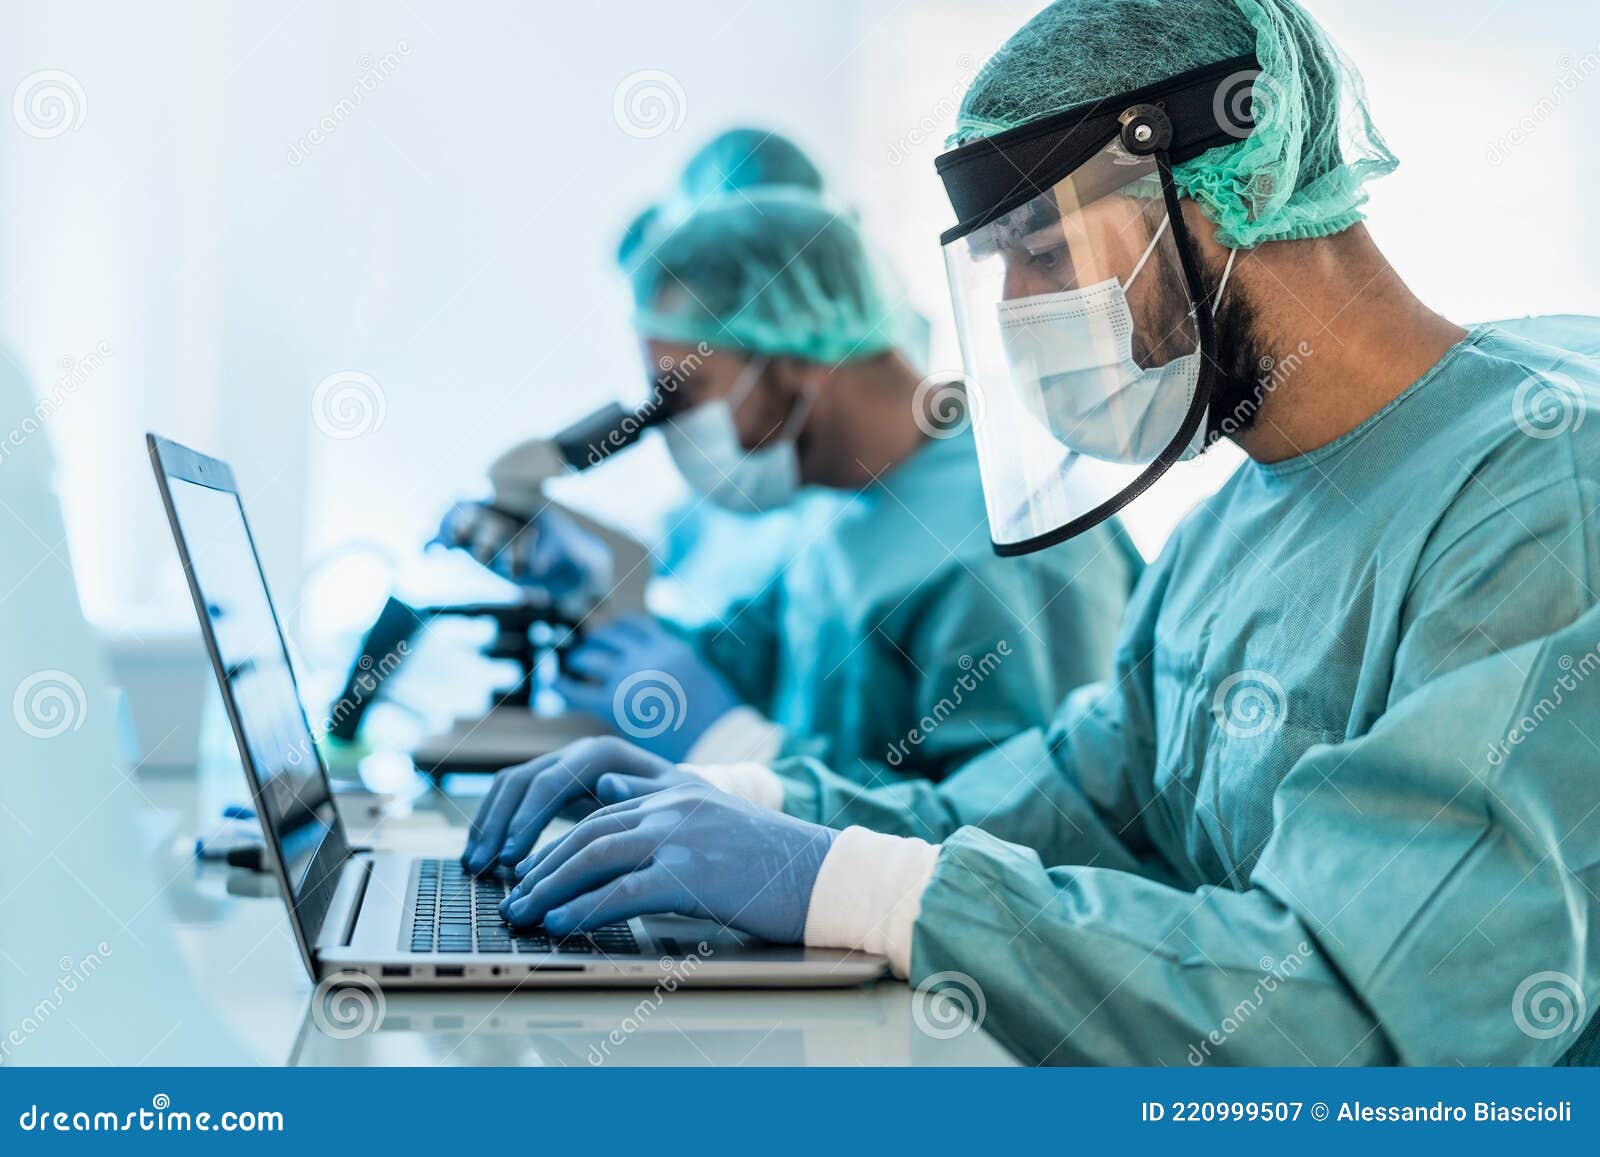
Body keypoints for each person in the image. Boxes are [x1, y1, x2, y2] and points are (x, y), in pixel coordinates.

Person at [468, 0, 1600, 1067]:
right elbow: (1074, 801)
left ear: (1234, 185)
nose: (1015, 315)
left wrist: (864, 892)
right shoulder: (1233, 525)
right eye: (1000, 264)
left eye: (1045, 253)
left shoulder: (1544, 488)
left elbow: (1354, 1016)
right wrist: (756, 808)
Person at [455, 136, 1141, 876]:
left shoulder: (1003, 545)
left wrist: (740, 753)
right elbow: (750, 664)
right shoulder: (845, 504)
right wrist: (606, 598)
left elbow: (1029, 849)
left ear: (796, 357)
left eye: (684, 391)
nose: (672, 427)